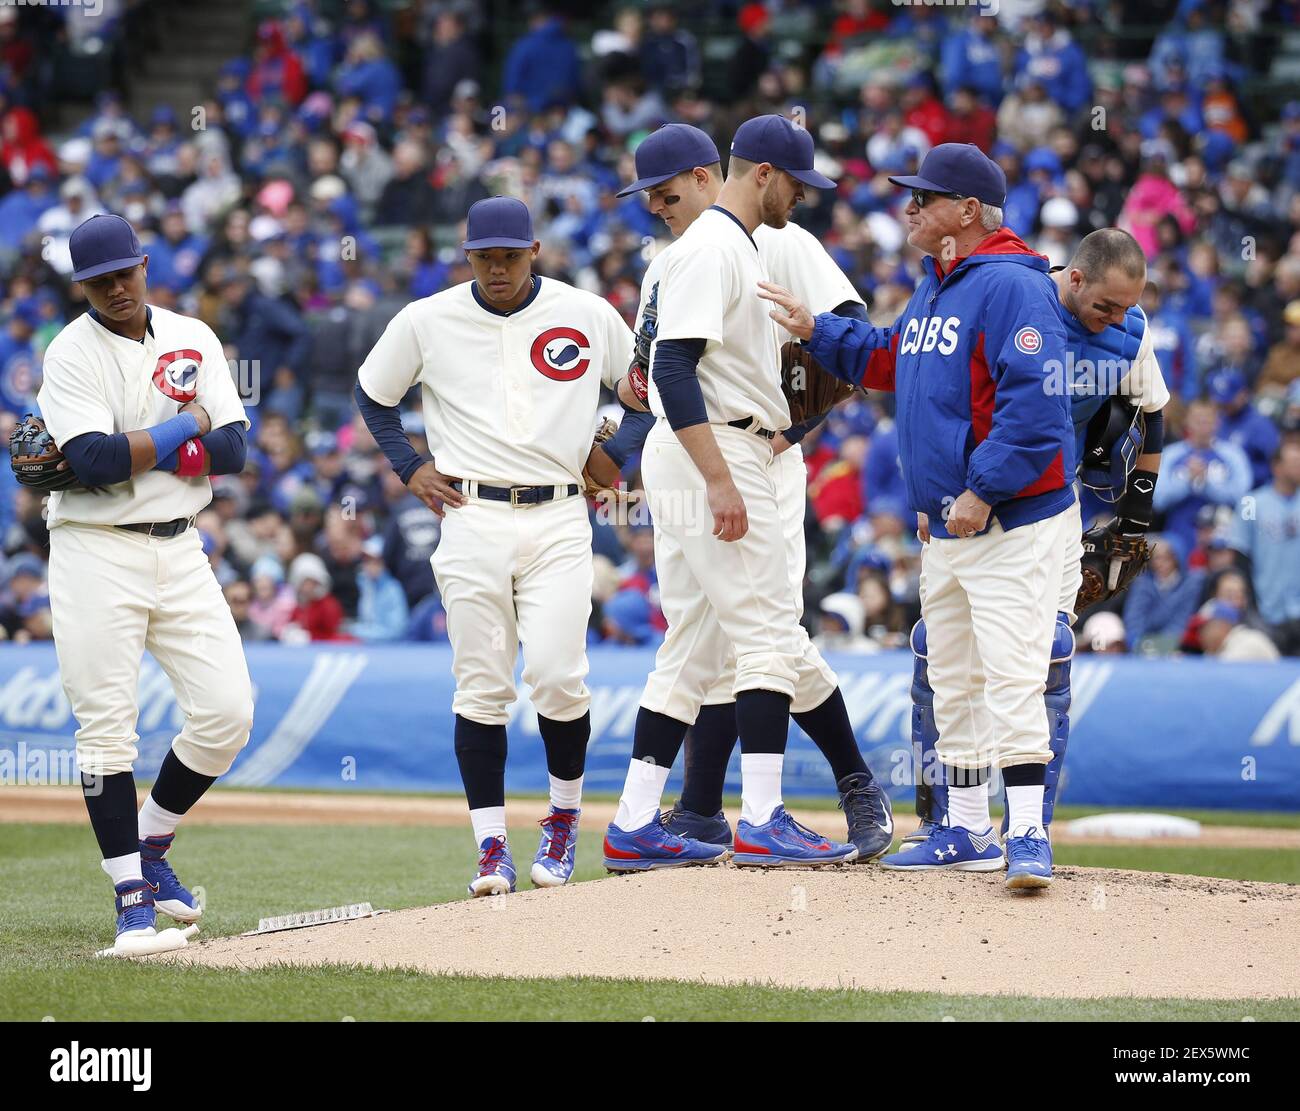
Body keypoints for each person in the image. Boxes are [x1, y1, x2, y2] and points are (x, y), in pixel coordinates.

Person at [764, 143, 1075, 890]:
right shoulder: (937, 284)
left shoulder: (1010, 286)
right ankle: (966, 826)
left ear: (967, 211)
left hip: (1009, 522)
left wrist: (982, 491)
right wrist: (815, 328)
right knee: (955, 678)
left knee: (1013, 674)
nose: (908, 207)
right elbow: (886, 358)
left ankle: (1028, 831)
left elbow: (1037, 411)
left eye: (923, 197)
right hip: (948, 527)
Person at [601, 122, 893, 862]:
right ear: (762, 173)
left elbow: (844, 336)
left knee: (693, 641)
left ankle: (638, 818)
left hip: (721, 445)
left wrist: (791, 430)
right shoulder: (712, 247)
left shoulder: (738, 245)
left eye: (667, 193)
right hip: (717, 447)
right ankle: (762, 816)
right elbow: (665, 374)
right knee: (766, 629)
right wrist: (722, 476)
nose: (802, 196)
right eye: (797, 182)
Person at [354, 197, 637, 896]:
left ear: (535, 249)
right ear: (467, 255)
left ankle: (564, 820)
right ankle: (489, 846)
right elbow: (372, 393)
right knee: (481, 685)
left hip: (561, 513)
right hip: (470, 511)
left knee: (557, 675)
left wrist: (615, 453)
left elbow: (646, 389)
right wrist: (409, 466)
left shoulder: (587, 311)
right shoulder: (427, 318)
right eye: (486, 256)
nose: (499, 267)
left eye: (511, 254)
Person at [903, 227, 1169, 846]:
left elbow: (1151, 414)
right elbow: (934, 398)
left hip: (1050, 507)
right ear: (1073, 279)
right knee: (940, 654)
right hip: (961, 502)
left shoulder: (1130, 333)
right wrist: (927, 491)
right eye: (1106, 305)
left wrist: (1134, 517)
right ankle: (948, 818)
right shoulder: (1016, 301)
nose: (1115, 319)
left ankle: (1031, 827)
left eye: (1127, 307)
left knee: (1046, 653)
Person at [32, 214, 253, 953]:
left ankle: (152, 844)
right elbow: (93, 461)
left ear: (146, 264)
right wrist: (177, 429)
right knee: (105, 727)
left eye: (125, 272)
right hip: (95, 549)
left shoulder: (194, 335)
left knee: (228, 712)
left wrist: (156, 450)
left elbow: (232, 447)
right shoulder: (69, 353)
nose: (116, 288)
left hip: (179, 545)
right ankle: (131, 899)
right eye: (99, 281)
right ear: (81, 286)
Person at [1228, 436, 1300, 654]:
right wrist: (1251, 605)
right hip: (1266, 606)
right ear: (1276, 467)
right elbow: (1240, 556)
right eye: (1295, 462)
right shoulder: (1252, 502)